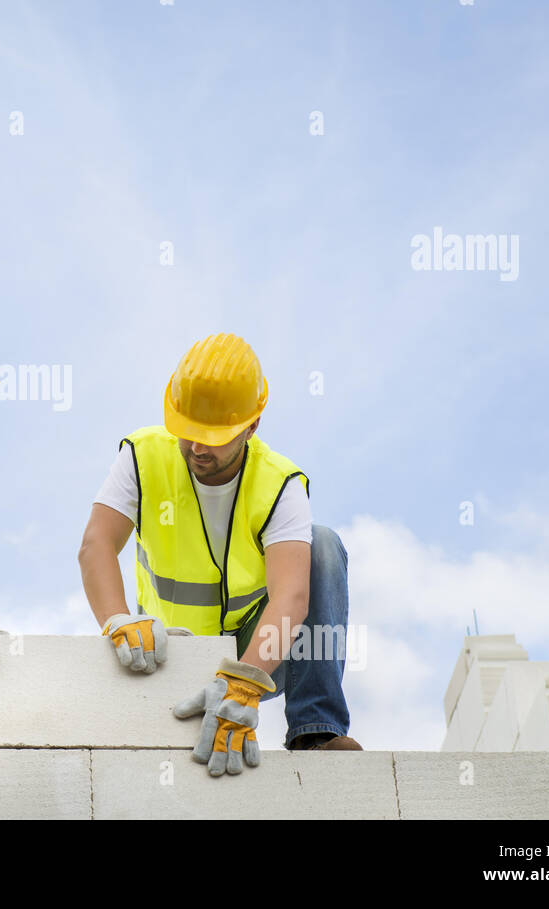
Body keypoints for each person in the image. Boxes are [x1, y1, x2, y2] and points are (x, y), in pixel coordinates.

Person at [77, 333, 362, 777]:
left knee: (321, 543)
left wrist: (245, 683)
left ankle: (314, 732)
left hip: (257, 655)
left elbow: (290, 598)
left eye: (213, 437)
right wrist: (116, 619)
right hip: (165, 651)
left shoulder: (279, 483)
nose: (196, 448)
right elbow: (96, 545)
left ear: (252, 426)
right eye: (188, 431)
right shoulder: (143, 455)